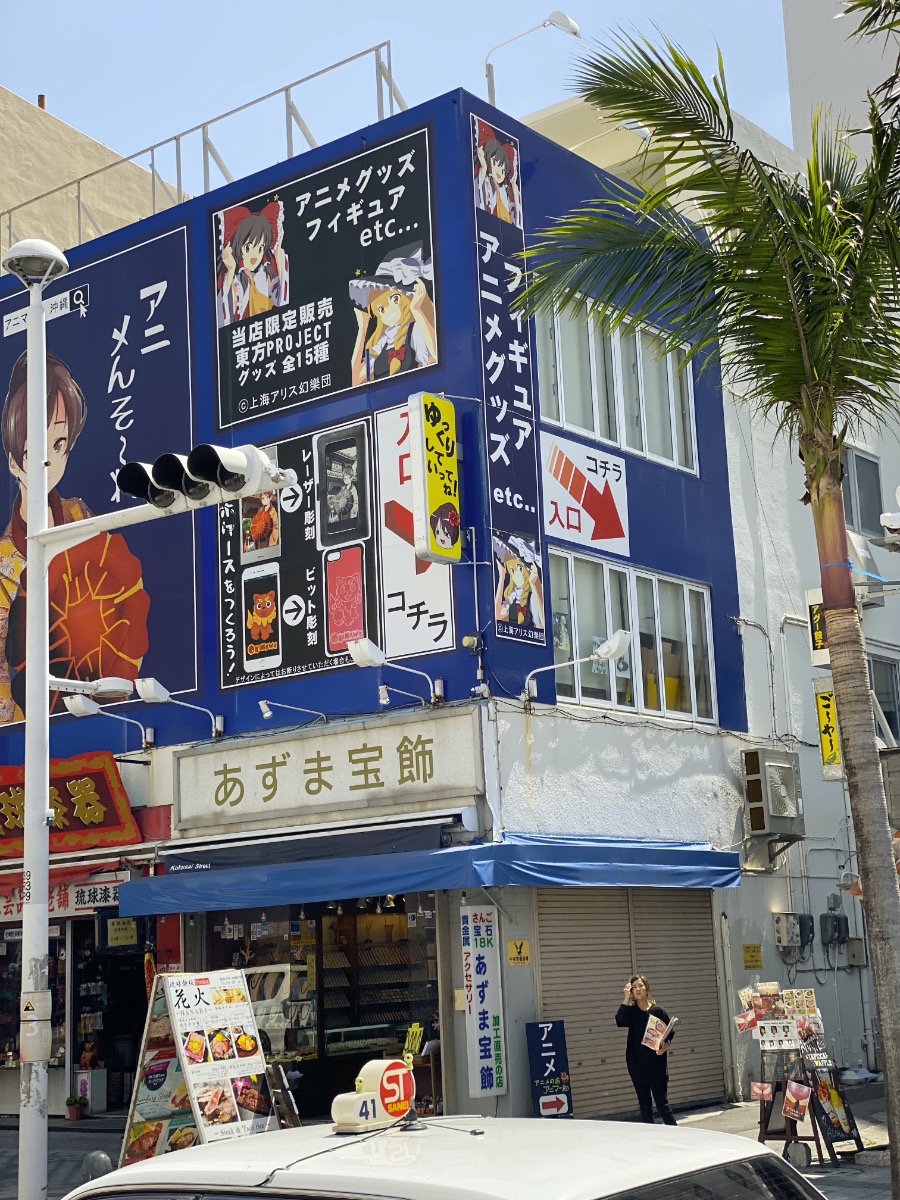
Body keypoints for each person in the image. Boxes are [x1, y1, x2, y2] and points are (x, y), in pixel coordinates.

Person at [615, 974, 677, 1125]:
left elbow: (669, 1034)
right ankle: (651, 1140)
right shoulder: (630, 1011)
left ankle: (677, 1135)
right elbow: (619, 1021)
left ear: (647, 988)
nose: (638, 989)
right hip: (637, 1065)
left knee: (662, 1104)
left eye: (641, 985)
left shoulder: (658, 1011)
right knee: (645, 1106)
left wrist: (664, 1047)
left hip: (657, 1066)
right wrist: (625, 998)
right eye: (634, 987)